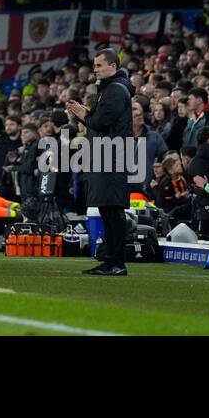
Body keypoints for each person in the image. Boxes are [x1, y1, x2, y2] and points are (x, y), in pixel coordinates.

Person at [66, 48, 132, 276]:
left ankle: (116, 263)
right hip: (106, 155)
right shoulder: (110, 89)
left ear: (113, 66)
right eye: (94, 65)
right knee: (107, 208)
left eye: (100, 65)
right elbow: (99, 121)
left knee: (112, 210)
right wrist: (85, 113)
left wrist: (83, 114)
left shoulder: (115, 90)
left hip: (111, 157)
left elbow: (101, 122)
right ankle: (110, 260)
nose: (95, 69)